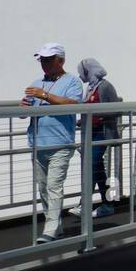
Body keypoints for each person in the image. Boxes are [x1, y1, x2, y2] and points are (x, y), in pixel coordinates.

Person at [21, 43, 82, 242]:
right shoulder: (37, 82)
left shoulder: (72, 81)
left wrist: (44, 95)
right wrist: (23, 107)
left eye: (48, 60)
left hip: (61, 143)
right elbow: (26, 111)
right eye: (42, 60)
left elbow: (73, 104)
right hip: (37, 142)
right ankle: (56, 226)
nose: (44, 64)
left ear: (61, 61)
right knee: (43, 186)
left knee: (54, 186)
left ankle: (49, 230)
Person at [77, 58, 121, 217]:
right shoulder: (91, 87)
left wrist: (95, 114)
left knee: (94, 163)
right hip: (92, 131)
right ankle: (102, 203)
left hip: (103, 131)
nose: (81, 76)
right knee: (95, 166)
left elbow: (116, 109)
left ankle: (97, 203)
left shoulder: (105, 86)